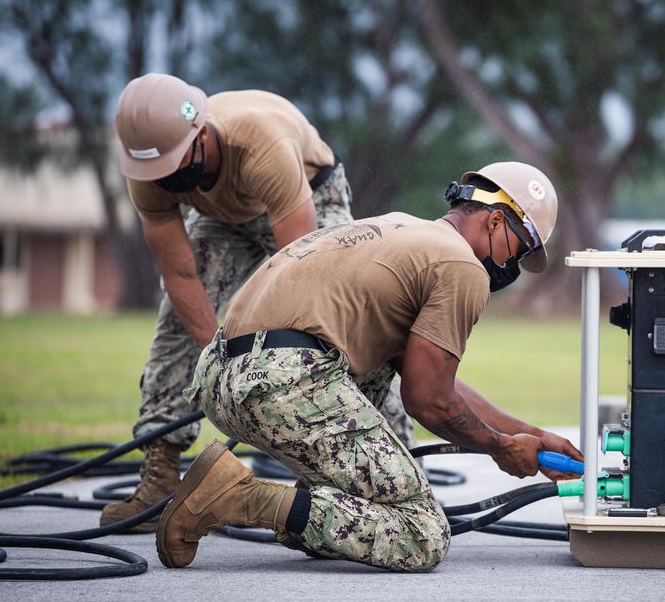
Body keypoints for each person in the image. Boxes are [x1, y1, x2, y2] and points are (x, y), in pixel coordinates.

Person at [155, 161, 583, 572]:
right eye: (519, 250)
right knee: (422, 535)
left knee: (389, 368)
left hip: (221, 375)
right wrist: (500, 448)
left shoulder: (404, 229)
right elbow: (429, 401)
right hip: (282, 380)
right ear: (494, 222)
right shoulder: (461, 266)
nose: (511, 267)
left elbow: (427, 377)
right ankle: (239, 496)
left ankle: (319, 504)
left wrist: (526, 433)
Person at [102, 73, 413, 531]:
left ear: (201, 134)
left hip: (308, 197)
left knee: (349, 327)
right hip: (221, 218)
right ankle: (160, 471)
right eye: (158, 172)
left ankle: (394, 467)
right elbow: (181, 274)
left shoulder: (261, 145)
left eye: (174, 164)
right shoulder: (147, 175)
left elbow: (304, 277)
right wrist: (221, 358)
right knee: (175, 321)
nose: (167, 178)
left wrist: (283, 371)